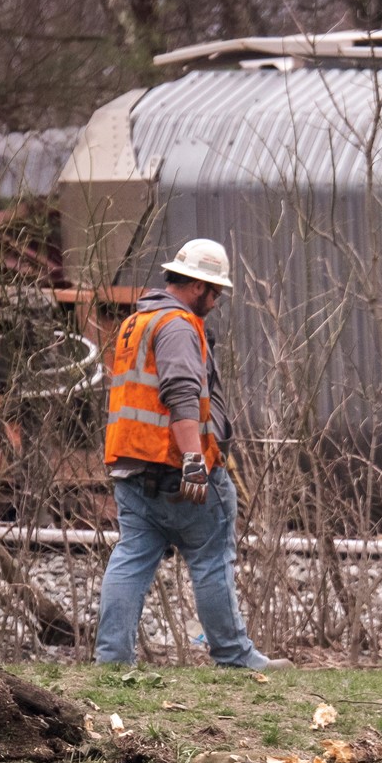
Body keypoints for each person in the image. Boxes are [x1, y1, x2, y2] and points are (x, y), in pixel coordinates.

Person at [94, 238, 290, 670]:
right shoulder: (179, 326)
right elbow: (180, 392)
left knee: (130, 560)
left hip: (133, 469)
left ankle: (112, 661)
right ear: (198, 286)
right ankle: (234, 657)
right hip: (180, 470)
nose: (216, 302)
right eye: (215, 292)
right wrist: (194, 461)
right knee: (211, 560)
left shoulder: (136, 322)